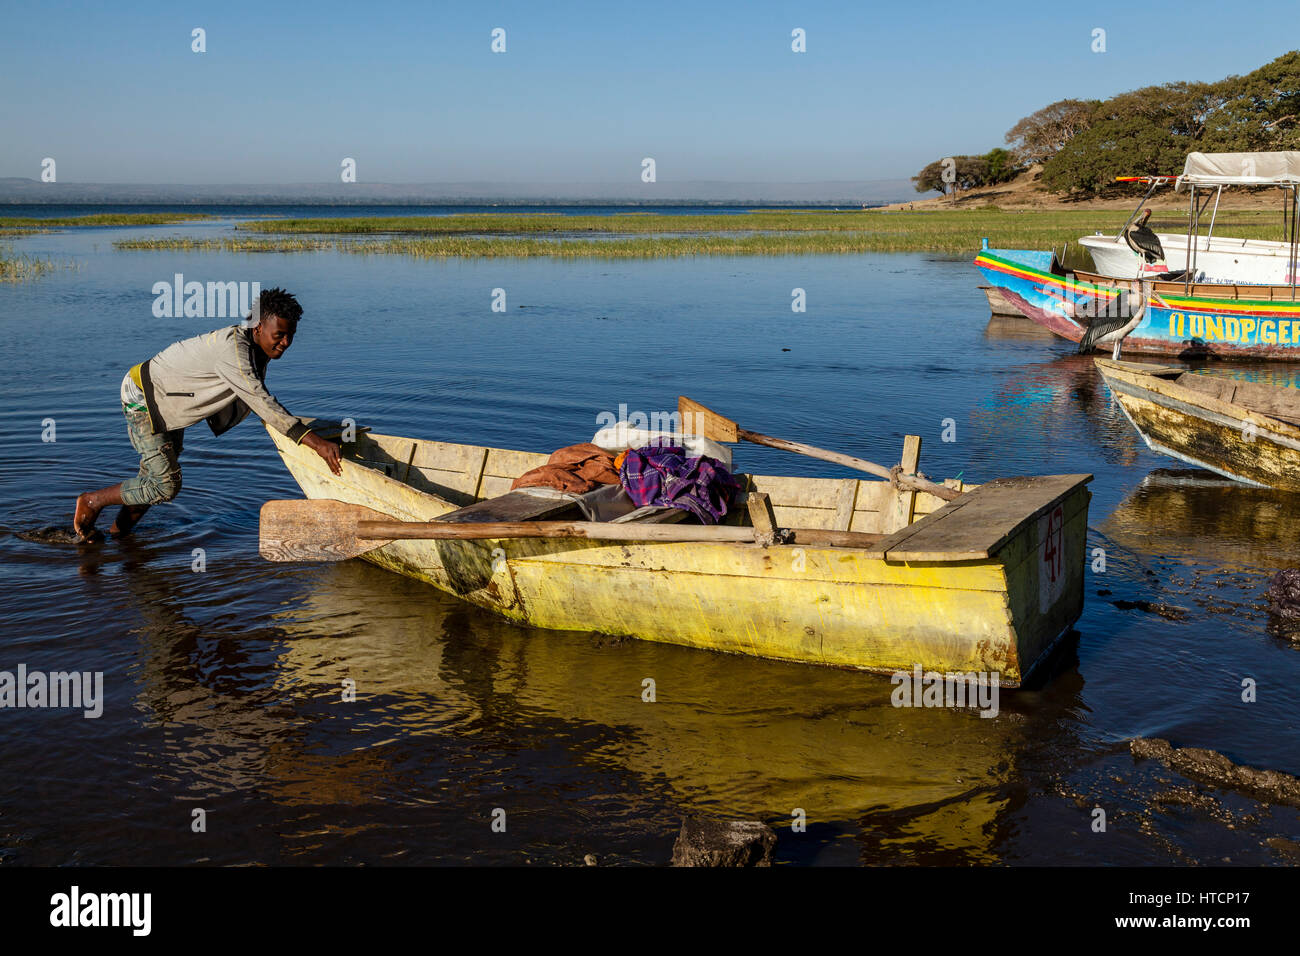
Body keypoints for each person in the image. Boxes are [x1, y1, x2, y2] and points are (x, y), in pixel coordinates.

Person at [73, 287, 341, 541]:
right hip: (144, 397)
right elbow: (261, 399)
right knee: (165, 485)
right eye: (279, 335)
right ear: (259, 327)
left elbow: (258, 398)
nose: (285, 342)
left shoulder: (256, 350)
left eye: (290, 335)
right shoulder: (234, 352)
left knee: (153, 481)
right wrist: (315, 442)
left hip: (169, 403)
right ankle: (91, 502)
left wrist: (295, 433)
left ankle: (119, 537)